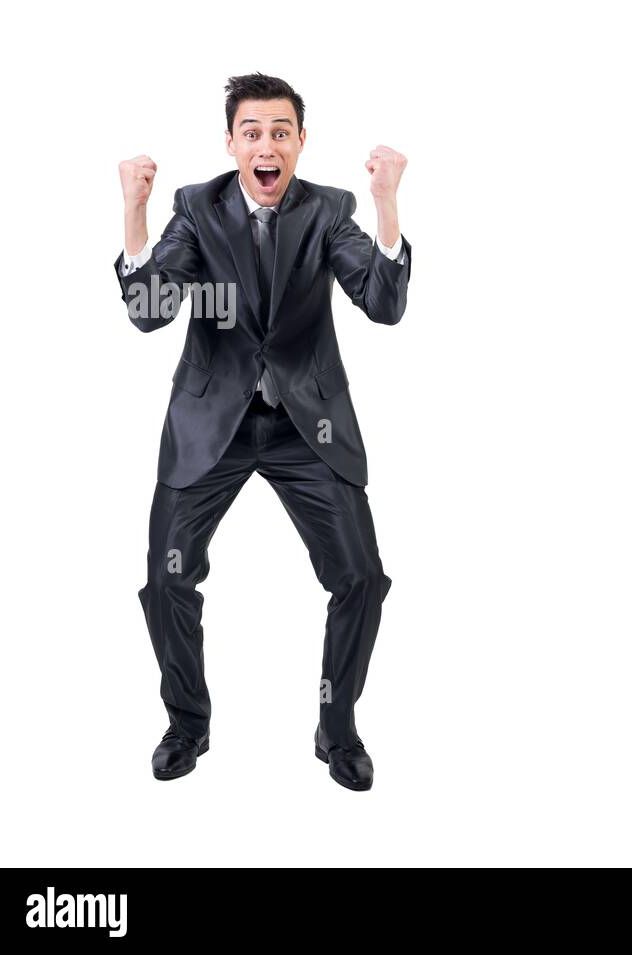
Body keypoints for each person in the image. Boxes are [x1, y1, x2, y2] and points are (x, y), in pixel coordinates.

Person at [113, 72, 411, 791]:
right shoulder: (196, 206)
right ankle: (187, 721)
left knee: (361, 577)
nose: (267, 145)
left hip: (304, 426)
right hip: (210, 423)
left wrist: (385, 204)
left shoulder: (329, 211)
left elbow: (383, 303)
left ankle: (335, 726)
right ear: (231, 142)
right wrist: (134, 212)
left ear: (300, 143)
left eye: (281, 132)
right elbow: (150, 310)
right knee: (167, 577)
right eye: (253, 132)